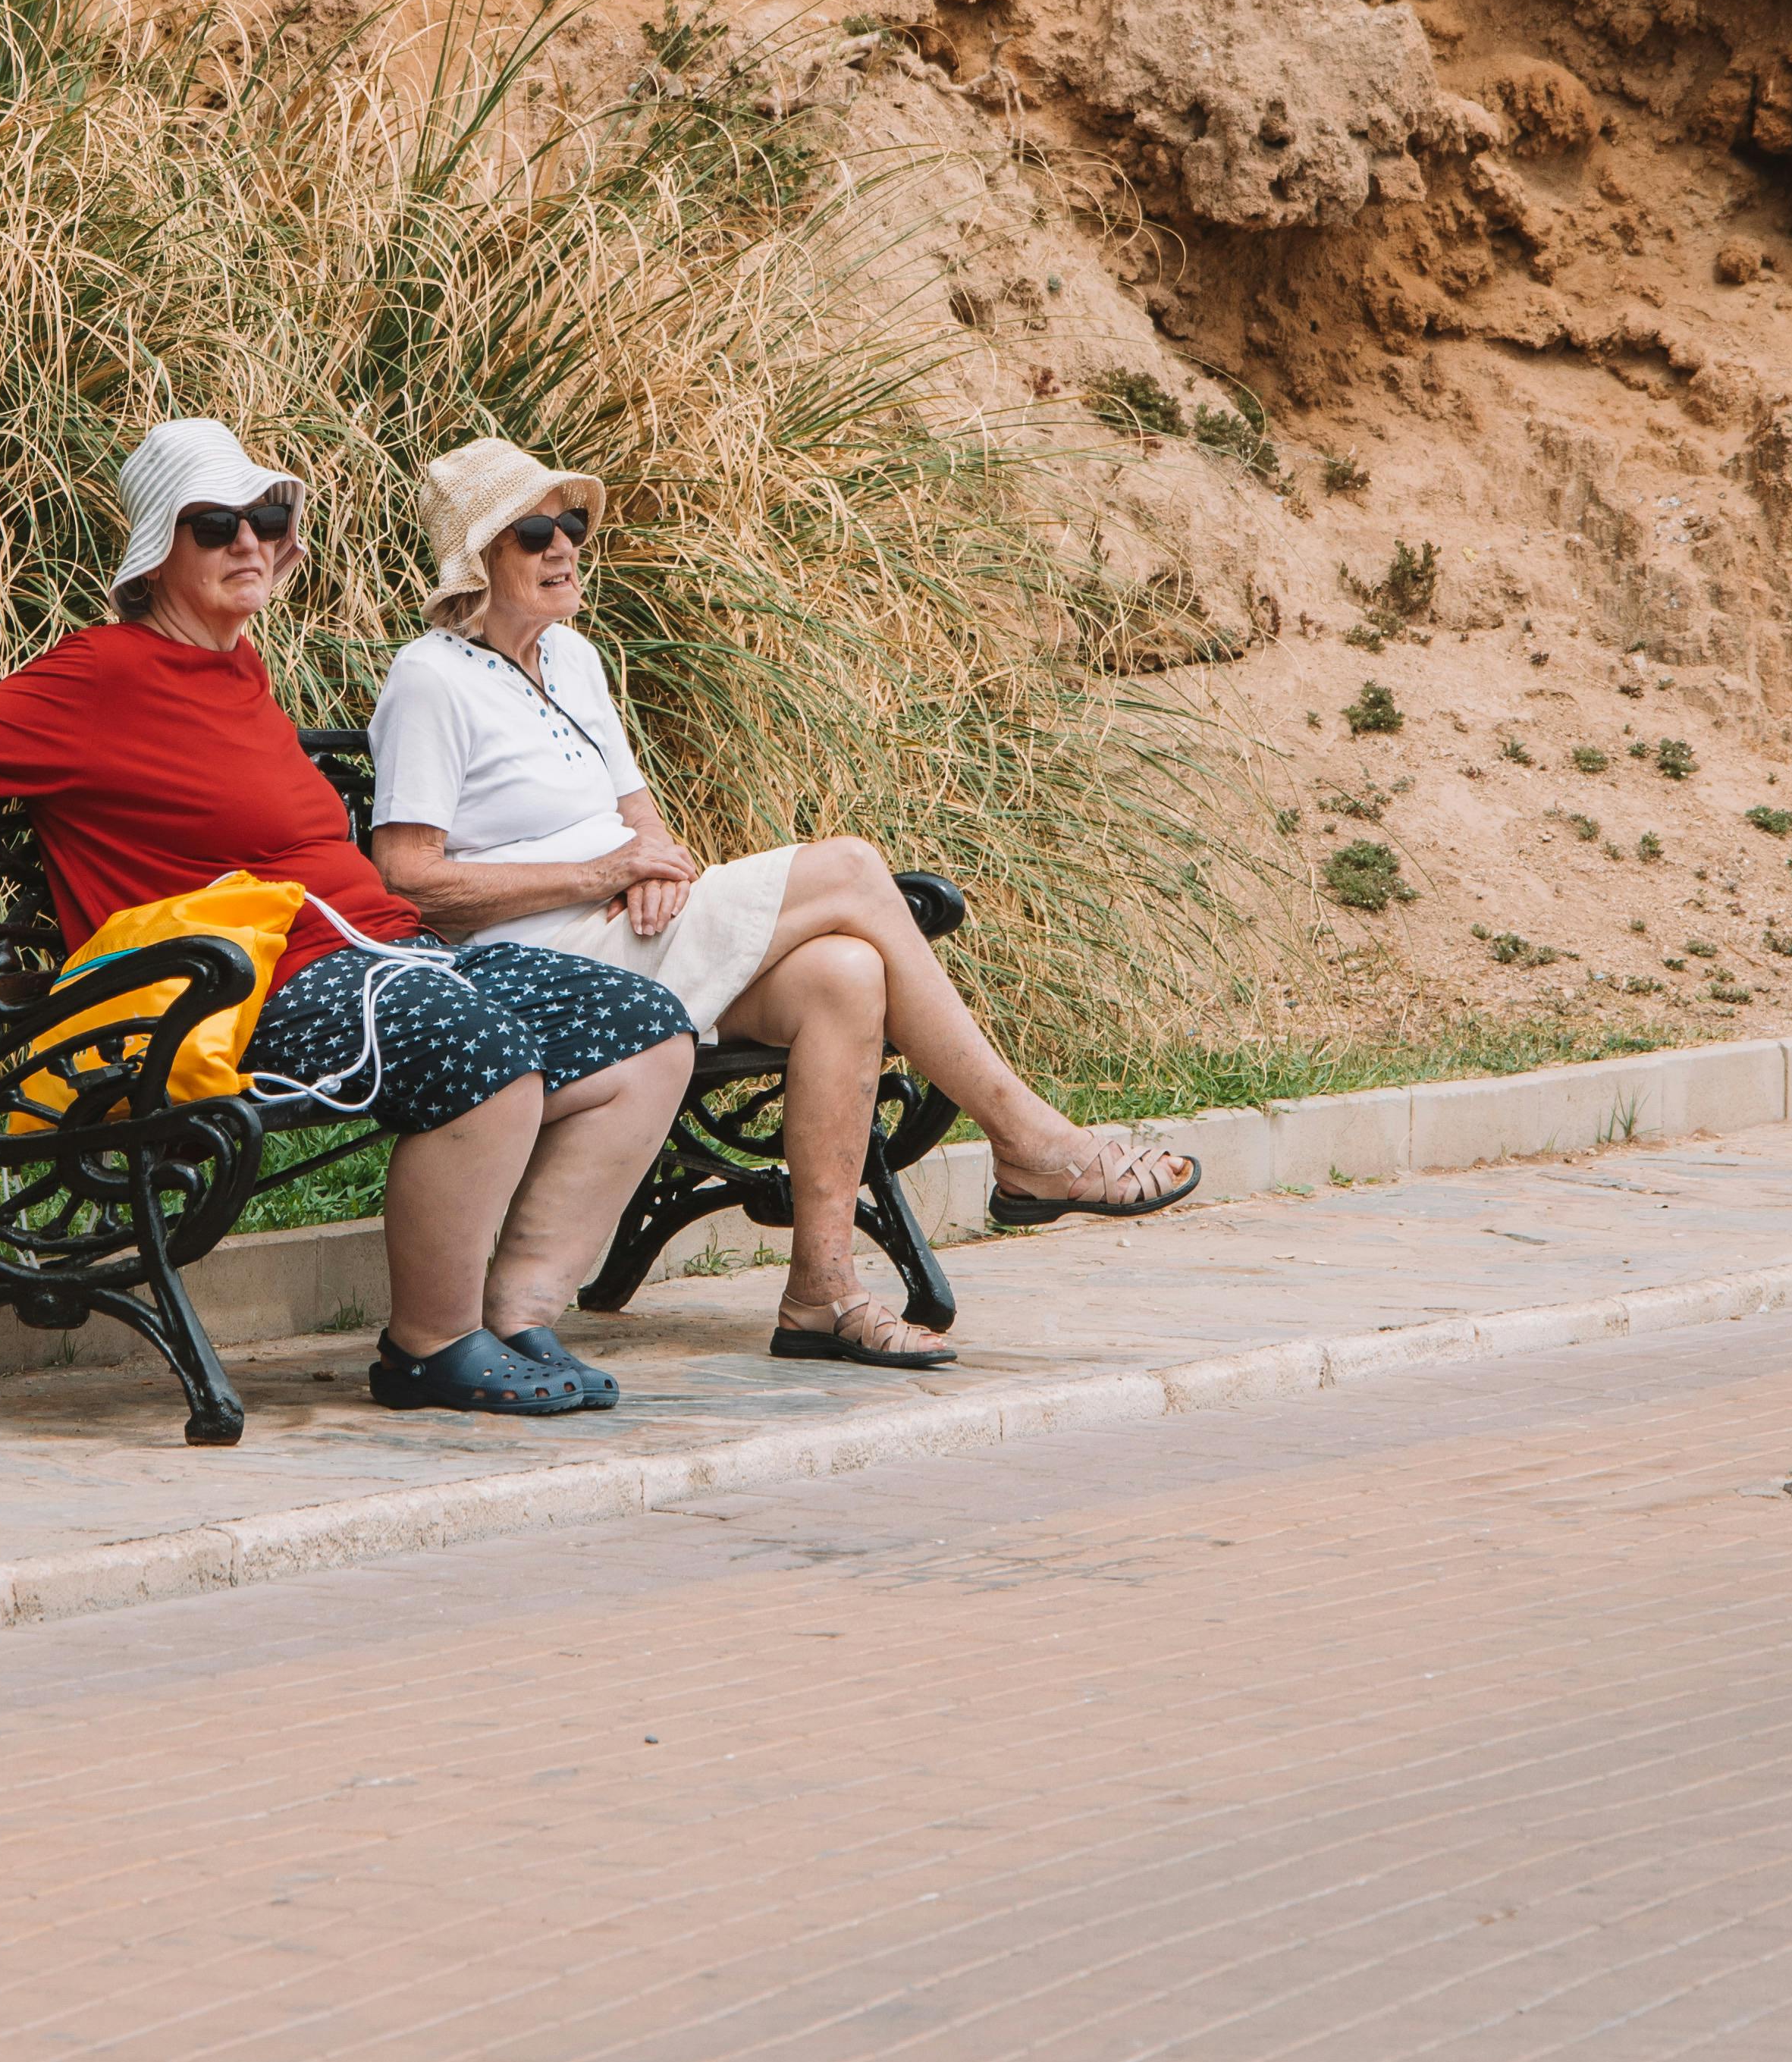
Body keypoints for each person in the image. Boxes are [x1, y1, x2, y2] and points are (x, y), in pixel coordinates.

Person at [0, 419, 695, 1420]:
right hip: (240, 988)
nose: (248, 542)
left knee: (648, 1029)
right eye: (215, 524)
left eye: (264, 518)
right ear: (158, 551)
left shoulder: (238, 665)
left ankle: (513, 1311)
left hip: (378, 954)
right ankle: (427, 1346)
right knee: (477, 1048)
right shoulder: (100, 671)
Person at [366, 436, 1197, 1371]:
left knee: (844, 975)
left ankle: (821, 1291)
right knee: (848, 866)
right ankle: (1032, 1141)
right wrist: (601, 876)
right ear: (478, 560)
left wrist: (654, 867)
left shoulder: (574, 659)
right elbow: (409, 878)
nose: (564, 546)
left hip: (629, 937)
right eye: (533, 532)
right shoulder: (429, 679)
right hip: (541, 962)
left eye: (573, 526)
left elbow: (646, 827)